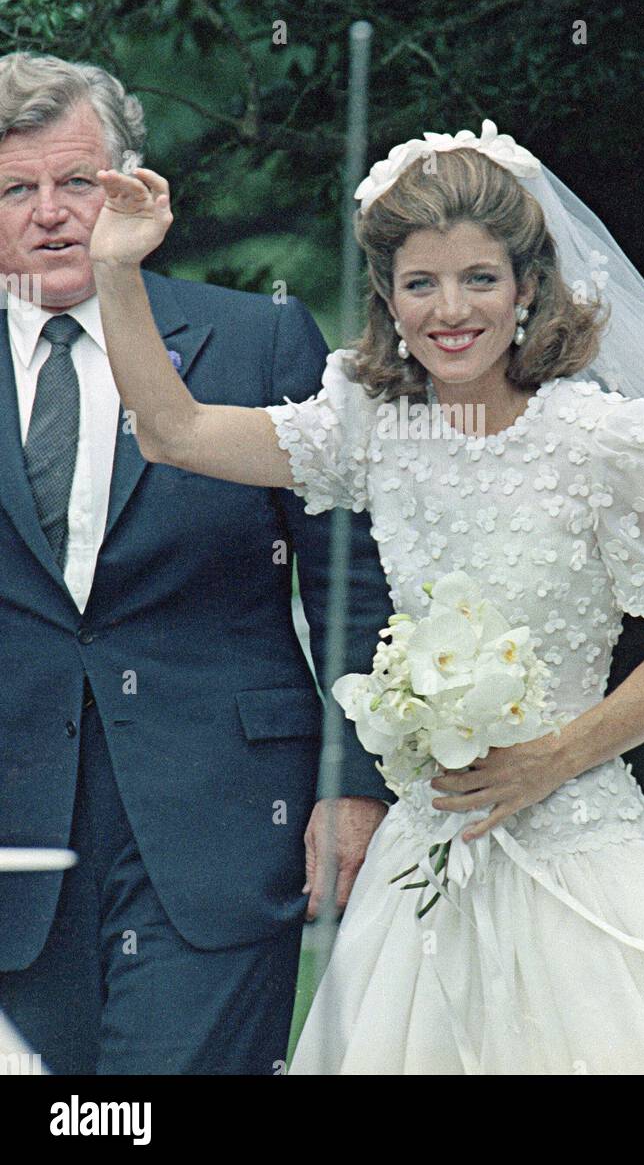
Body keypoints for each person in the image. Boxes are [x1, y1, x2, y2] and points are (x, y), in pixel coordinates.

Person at [85, 120, 644, 1074]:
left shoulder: (603, 445)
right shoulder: (371, 425)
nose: (450, 310)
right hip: (424, 872)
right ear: (387, 296)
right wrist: (117, 272)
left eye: (478, 280)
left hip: (584, 855)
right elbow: (173, 432)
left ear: (527, 288)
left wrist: (552, 758)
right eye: (420, 283)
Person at [0, 52, 392, 1075]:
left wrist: (352, 781)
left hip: (221, 822)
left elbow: (352, 575)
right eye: (16, 188)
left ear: (130, 184)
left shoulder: (255, 338)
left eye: (77, 182)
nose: (50, 213)